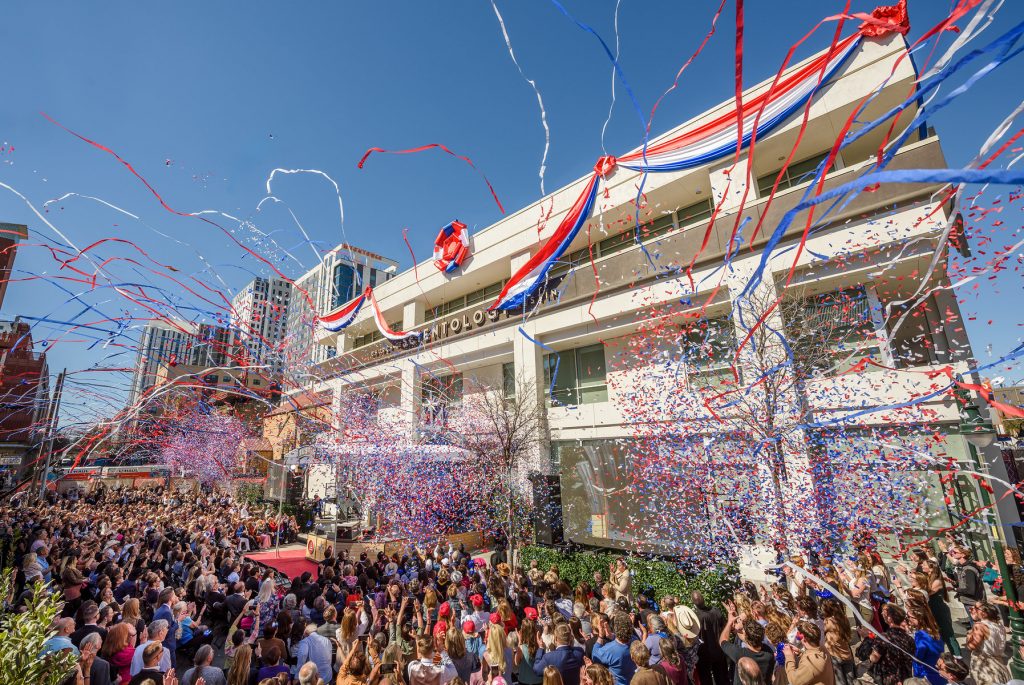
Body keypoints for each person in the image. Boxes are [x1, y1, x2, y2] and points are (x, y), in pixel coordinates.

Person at [719, 603, 774, 685]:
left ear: (747, 638)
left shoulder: (740, 654)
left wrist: (729, 622)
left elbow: (722, 641)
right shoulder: (768, 652)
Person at [965, 602, 1010, 685]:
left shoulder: (980, 626)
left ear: (984, 613)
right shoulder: (999, 625)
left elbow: (970, 646)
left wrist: (969, 634)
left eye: (976, 608)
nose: (972, 609)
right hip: (999, 664)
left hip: (984, 666)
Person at [692, 592, 729, 685]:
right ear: (704, 599)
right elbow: (725, 627)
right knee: (722, 679)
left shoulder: (694, 616)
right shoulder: (716, 610)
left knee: (706, 680)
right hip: (718, 650)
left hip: (704, 653)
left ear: (693, 602)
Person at [592, 614, 637, 685]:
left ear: (615, 628)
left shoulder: (609, 650)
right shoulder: (635, 640)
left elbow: (595, 656)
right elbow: (624, 639)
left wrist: (600, 635)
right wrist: (611, 635)